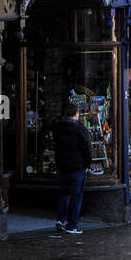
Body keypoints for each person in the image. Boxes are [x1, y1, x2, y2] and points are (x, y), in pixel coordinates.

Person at [52, 100, 93, 234]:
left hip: (62, 166)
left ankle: (60, 220)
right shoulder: (80, 128)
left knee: (64, 194)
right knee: (76, 196)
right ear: (77, 113)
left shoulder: (57, 127)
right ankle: (72, 225)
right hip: (77, 166)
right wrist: (87, 164)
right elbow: (87, 148)